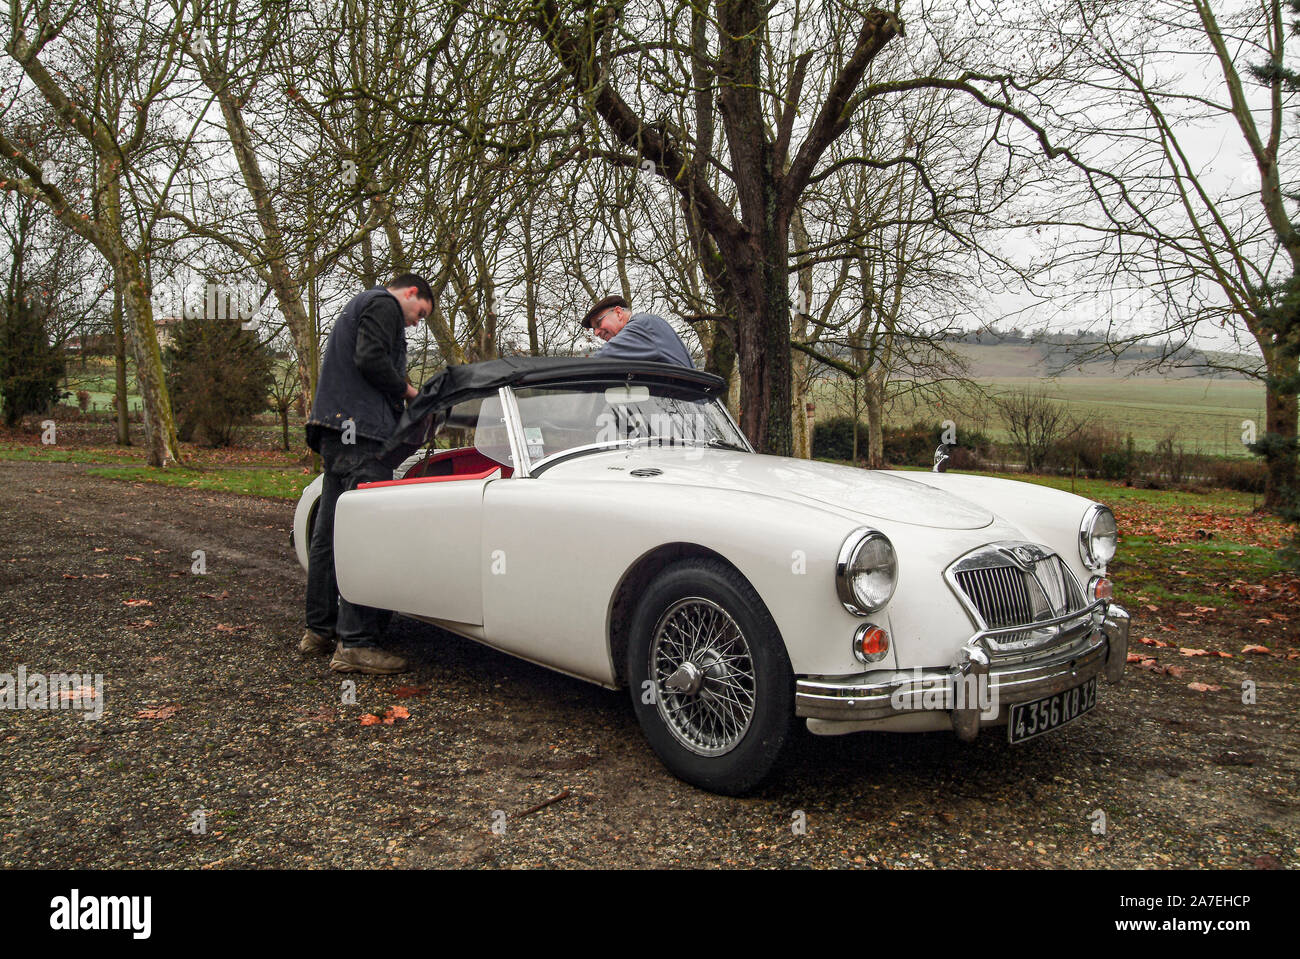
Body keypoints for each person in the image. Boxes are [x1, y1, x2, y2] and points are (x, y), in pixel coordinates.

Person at [300, 273, 433, 674]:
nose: (415, 323)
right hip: (363, 435)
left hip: (334, 432)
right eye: (420, 313)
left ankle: (319, 630)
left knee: (330, 535)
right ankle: (355, 642)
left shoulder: (358, 306)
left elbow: (365, 359)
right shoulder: (383, 305)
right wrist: (411, 394)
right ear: (411, 294)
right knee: (364, 534)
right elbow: (372, 358)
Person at [581, 295, 694, 368]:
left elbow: (597, 362)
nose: (596, 333)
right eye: (594, 329)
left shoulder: (643, 325)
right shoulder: (643, 335)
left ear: (619, 313)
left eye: (598, 323)